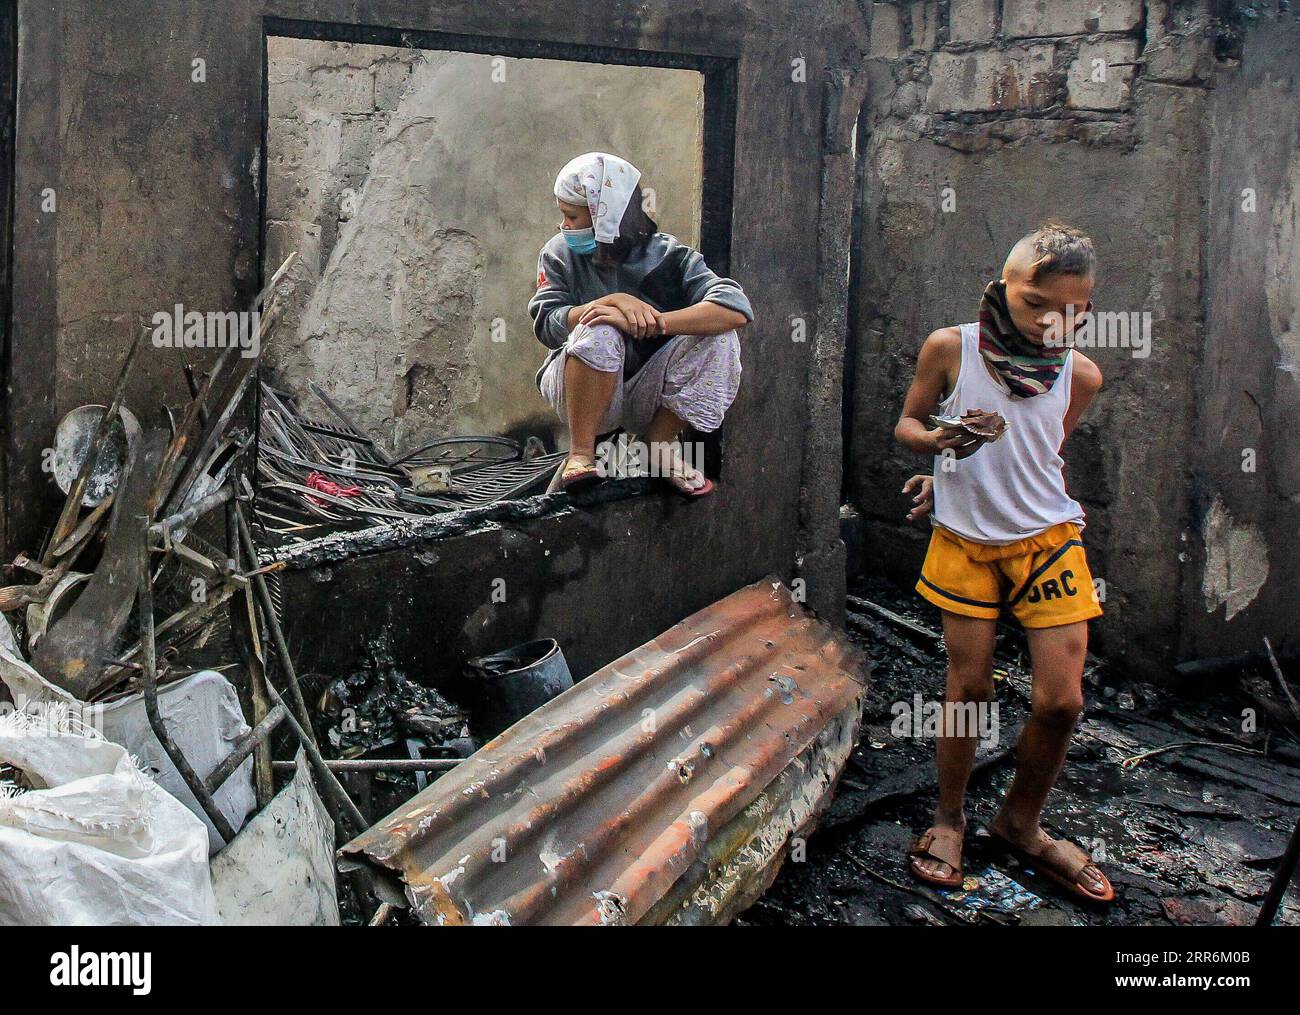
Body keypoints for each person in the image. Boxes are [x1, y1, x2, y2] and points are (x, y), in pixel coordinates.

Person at [893, 220, 1114, 903]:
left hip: (1048, 539)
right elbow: (906, 426)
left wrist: (973, 469)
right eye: (1036, 304)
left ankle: (1020, 822)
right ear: (1001, 288)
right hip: (966, 541)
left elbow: (1042, 450)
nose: (1052, 322)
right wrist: (941, 451)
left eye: (1072, 312)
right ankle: (950, 818)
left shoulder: (1081, 373)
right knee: (970, 688)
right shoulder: (950, 348)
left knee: (1061, 700)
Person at [528, 152, 752, 496]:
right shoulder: (558, 253)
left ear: (607, 216)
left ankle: (659, 443)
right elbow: (547, 322)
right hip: (579, 386)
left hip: (647, 391)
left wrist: (657, 322)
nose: (564, 226)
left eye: (572, 216)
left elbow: (735, 308)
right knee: (601, 329)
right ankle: (581, 453)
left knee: (721, 339)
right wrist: (609, 303)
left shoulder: (668, 256)